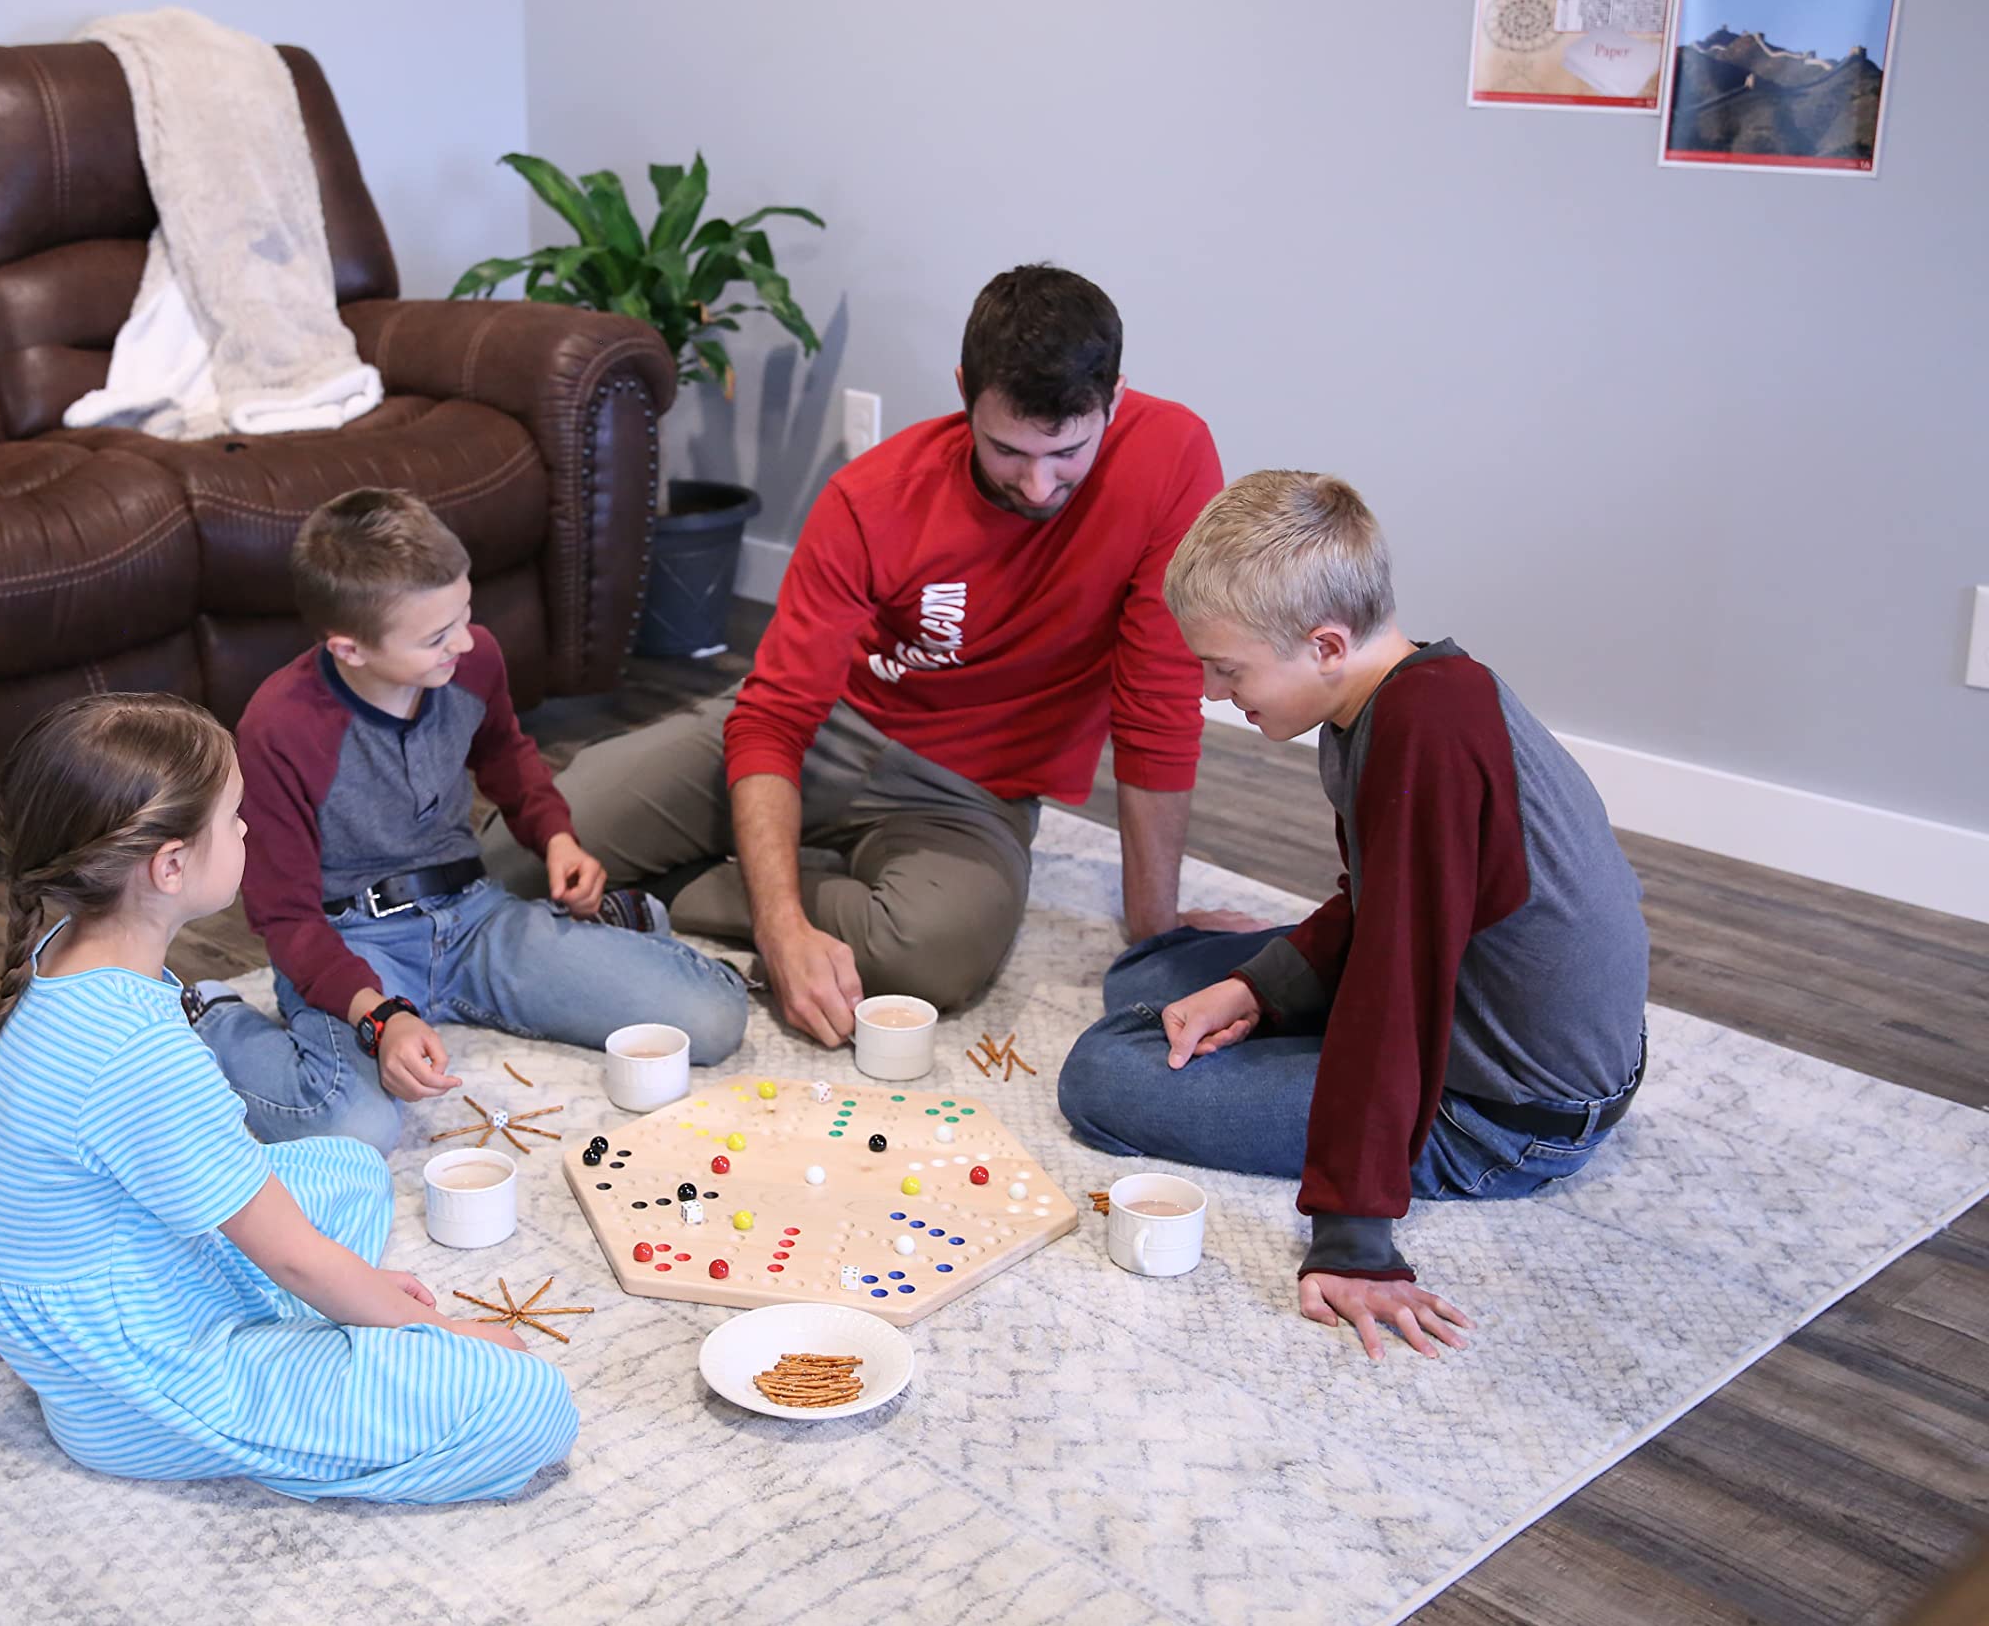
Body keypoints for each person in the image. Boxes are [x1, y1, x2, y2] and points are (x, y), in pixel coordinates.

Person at [484, 264, 1244, 1046]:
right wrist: (782, 933)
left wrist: (1156, 929)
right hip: (827, 726)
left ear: (1113, 399)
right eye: (1009, 451)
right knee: (515, 853)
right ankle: (762, 867)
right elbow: (774, 720)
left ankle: (654, 890)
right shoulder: (872, 498)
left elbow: (1156, 703)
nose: (1040, 485)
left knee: (935, 954)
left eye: (1068, 453)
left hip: (972, 792)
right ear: (963, 391)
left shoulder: (1172, 458)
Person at [0, 692, 575, 1503]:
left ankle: (317, 1344)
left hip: (119, 1292)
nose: (246, 831)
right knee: (532, 1406)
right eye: (234, 818)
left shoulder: (67, 956)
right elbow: (292, 1254)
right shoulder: (141, 1053)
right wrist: (440, 1334)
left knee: (350, 1168)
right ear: (168, 866)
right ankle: (290, 1392)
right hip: (139, 1376)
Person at [1054, 471, 1650, 1360]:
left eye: (1227, 668)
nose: (1210, 693)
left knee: (1103, 1074)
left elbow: (1397, 983)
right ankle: (1247, 1014)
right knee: (1154, 970)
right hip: (1481, 1015)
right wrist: (1257, 990)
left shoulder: (1424, 736)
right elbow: (1382, 904)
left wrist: (1354, 1236)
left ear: (1325, 643)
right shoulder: (1394, 695)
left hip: (1506, 1111)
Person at [190, 489, 747, 1136]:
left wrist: (556, 837)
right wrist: (379, 1015)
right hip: (354, 944)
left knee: (711, 1018)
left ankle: (608, 930)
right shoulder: (279, 727)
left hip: (477, 918)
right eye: (434, 637)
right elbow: (285, 917)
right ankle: (217, 1022)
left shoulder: (473, 657)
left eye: (464, 612)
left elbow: (508, 756)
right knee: (357, 1127)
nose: (464, 640)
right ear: (350, 649)